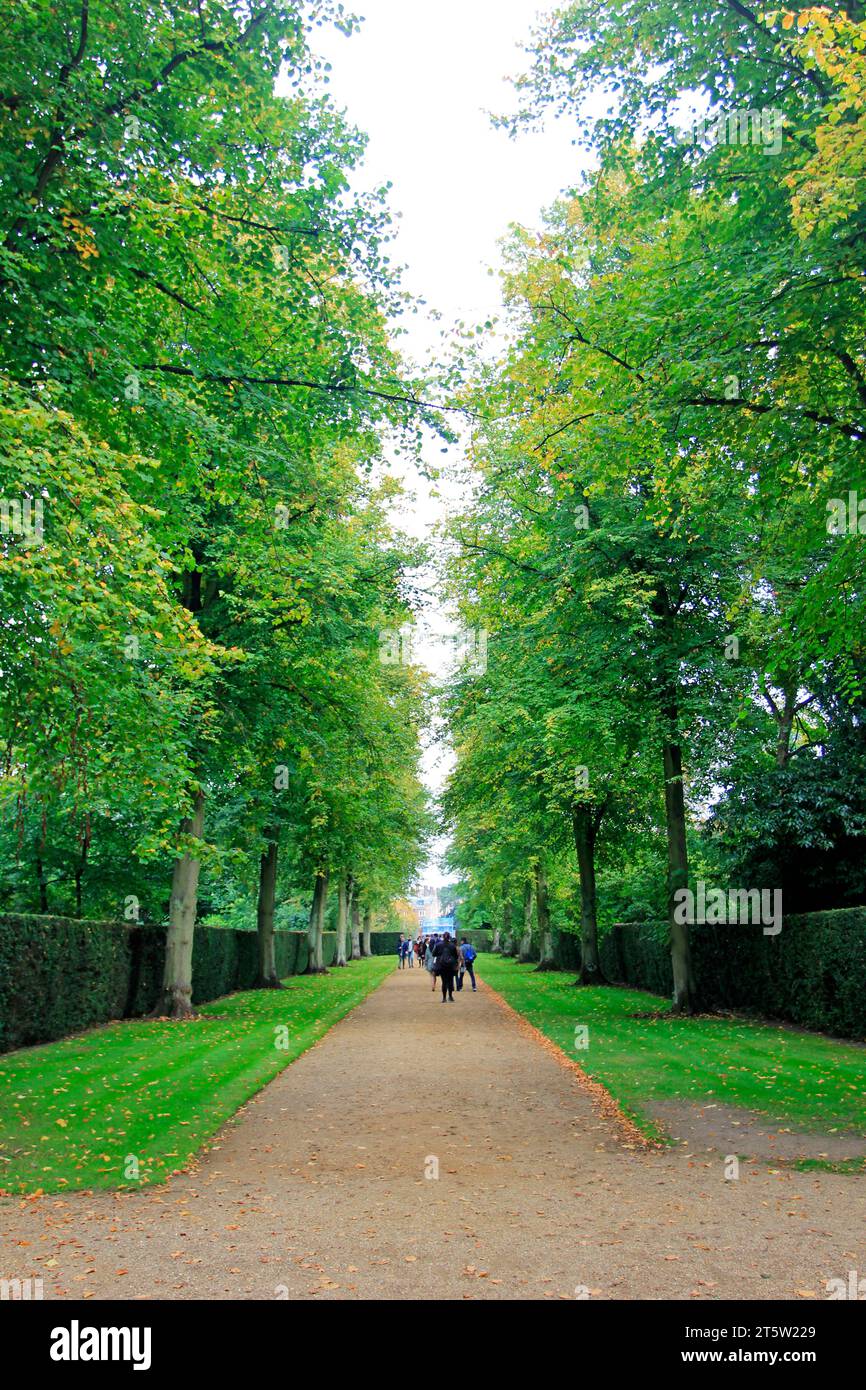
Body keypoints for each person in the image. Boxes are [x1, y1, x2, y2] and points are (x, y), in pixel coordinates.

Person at [435, 932, 459, 1003]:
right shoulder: (452, 945)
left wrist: (440, 955)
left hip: (442, 965)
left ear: (443, 937)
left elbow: (434, 953)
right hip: (450, 965)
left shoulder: (438, 945)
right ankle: (450, 996)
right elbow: (456, 956)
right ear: (449, 937)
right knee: (450, 981)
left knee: (444, 981)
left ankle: (444, 998)